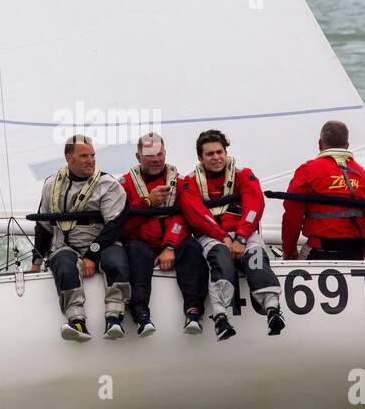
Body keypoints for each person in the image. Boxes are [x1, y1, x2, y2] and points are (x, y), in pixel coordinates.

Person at [178, 129, 285, 341]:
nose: (216, 157)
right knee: (220, 259)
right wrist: (224, 238)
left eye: (219, 152)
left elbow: (254, 205)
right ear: (200, 158)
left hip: (244, 234)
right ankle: (220, 317)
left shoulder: (244, 174)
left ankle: (272, 310)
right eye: (210, 154)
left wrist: (242, 237)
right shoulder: (189, 183)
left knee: (256, 258)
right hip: (212, 237)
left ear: (226, 152)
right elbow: (197, 215)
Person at [31, 135, 130, 342]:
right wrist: (36, 262)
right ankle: (76, 321)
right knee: (64, 264)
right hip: (65, 245)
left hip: (103, 243)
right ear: (69, 158)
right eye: (84, 156)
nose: (91, 160)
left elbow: (115, 225)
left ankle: (114, 317)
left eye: (93, 155)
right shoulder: (51, 185)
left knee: (116, 261)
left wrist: (92, 255)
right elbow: (43, 226)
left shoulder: (107, 184)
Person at [119, 133, 208, 336]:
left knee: (192, 248)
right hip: (140, 244)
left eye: (160, 154)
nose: (156, 159)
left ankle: (193, 311)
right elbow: (119, 225)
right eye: (150, 155)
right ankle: (140, 314)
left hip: (172, 242)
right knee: (136, 252)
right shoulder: (123, 185)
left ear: (165, 153)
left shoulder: (182, 182)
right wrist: (147, 203)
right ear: (138, 156)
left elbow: (185, 218)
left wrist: (169, 246)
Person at [281, 120, 365, 260]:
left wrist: (289, 250)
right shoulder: (364, 176)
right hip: (356, 250)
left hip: (321, 249)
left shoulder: (308, 171)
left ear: (320, 143)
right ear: (347, 146)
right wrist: (361, 255)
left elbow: (292, 215)